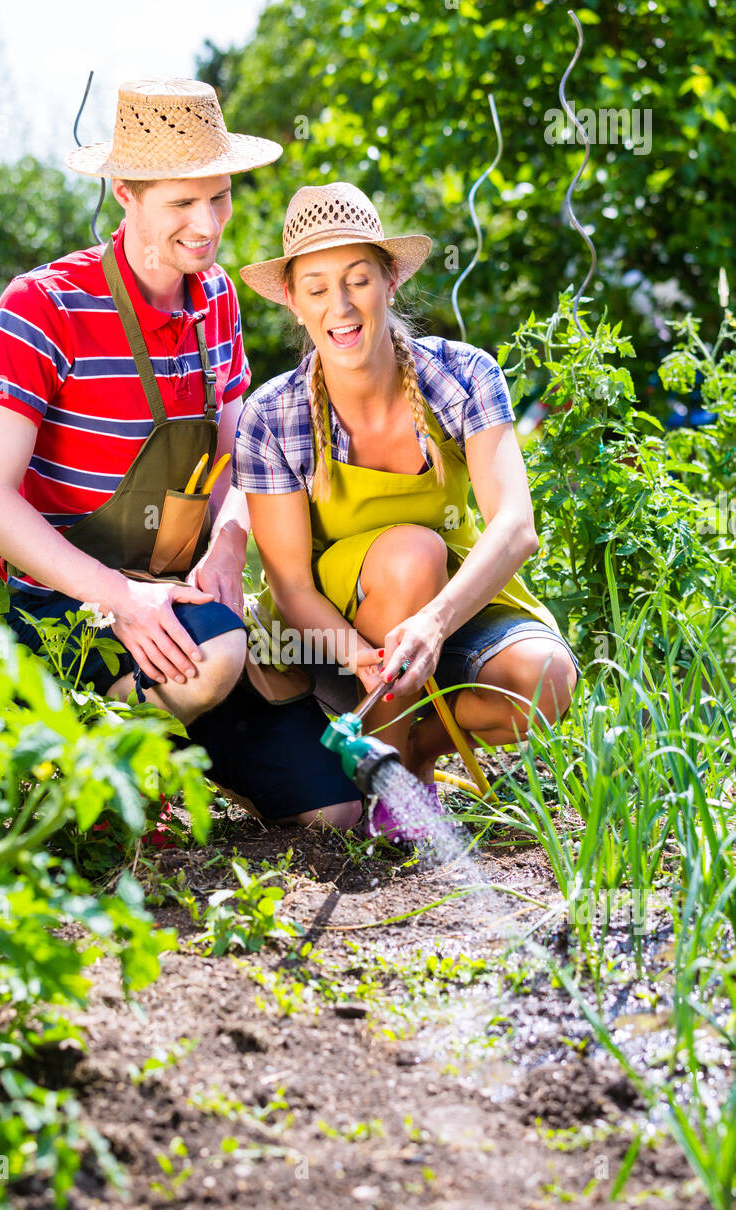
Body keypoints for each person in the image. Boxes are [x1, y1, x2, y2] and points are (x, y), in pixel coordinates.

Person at [0, 82, 361, 830]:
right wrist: (120, 597)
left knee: (334, 808)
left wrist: (231, 537)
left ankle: (171, 741)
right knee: (216, 657)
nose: (207, 225)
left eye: (221, 197)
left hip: (178, 598)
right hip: (61, 609)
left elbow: (237, 460)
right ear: (125, 192)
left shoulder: (215, 300)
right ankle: (94, 762)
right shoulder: (46, 305)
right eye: (182, 203)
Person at [233, 182, 581, 838]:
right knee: (410, 553)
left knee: (548, 678)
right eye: (316, 287)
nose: (341, 305)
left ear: (390, 279)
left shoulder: (465, 375)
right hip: (327, 637)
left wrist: (433, 623)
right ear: (293, 302)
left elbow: (515, 525)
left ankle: (418, 749)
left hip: (443, 606)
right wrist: (358, 654)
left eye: (358, 279)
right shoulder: (271, 414)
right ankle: (391, 783)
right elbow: (289, 584)